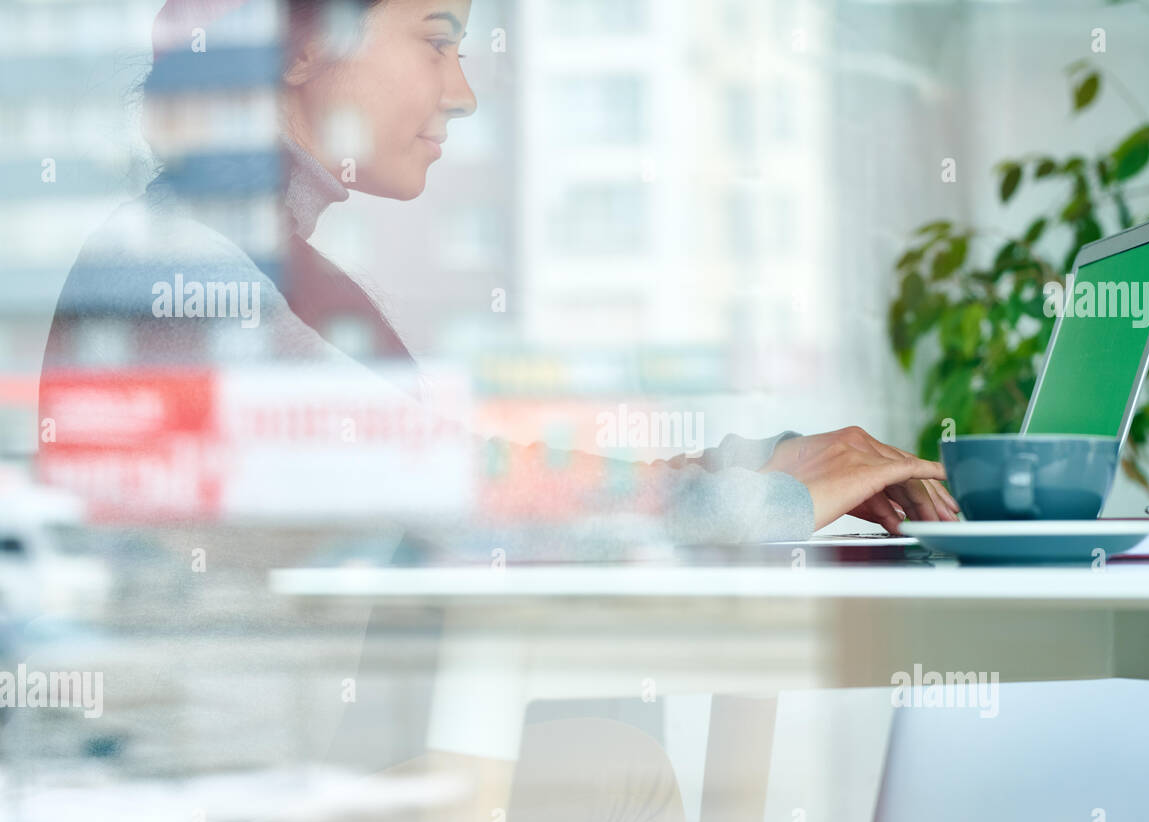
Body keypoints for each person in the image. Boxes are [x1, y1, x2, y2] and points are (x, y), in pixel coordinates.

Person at [40, 0, 958, 551]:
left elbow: (454, 473)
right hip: (249, 801)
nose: (463, 92)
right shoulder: (187, 274)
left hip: (301, 759)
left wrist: (744, 469)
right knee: (623, 770)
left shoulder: (239, 259)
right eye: (437, 40)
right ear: (302, 38)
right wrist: (752, 501)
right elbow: (456, 491)